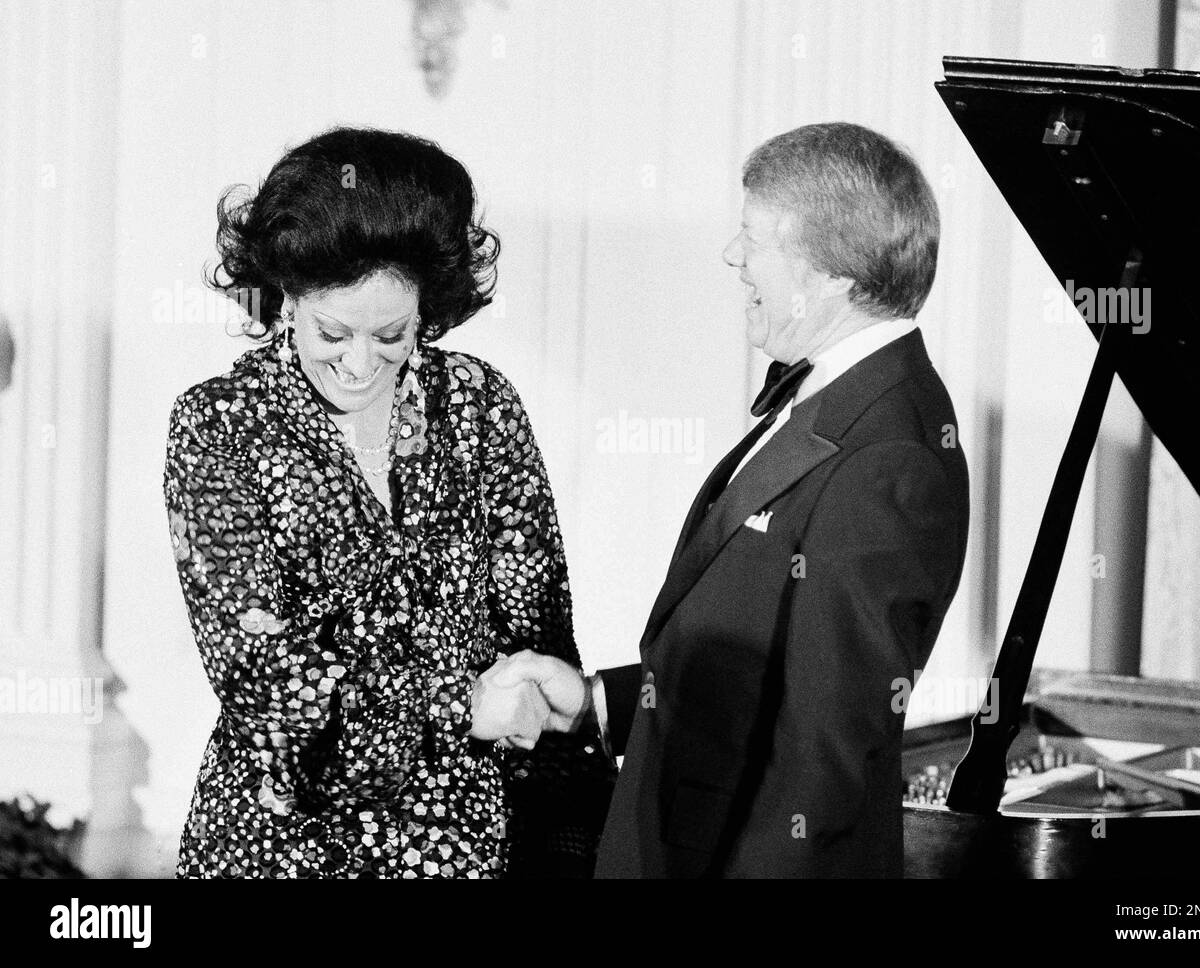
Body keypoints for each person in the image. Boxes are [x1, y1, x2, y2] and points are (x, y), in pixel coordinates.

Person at [487, 122, 970, 877]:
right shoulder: (838, 399)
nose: (732, 256)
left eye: (753, 237)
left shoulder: (889, 461)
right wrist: (595, 703)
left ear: (831, 271)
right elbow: (750, 680)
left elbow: (822, 755)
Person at [163, 127, 613, 878]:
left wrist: (569, 837)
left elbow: (541, 641)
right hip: (282, 850)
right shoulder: (218, 423)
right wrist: (458, 707)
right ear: (285, 299)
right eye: (332, 332)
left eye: (393, 333)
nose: (361, 364)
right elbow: (266, 682)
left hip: (471, 850)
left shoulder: (477, 402)